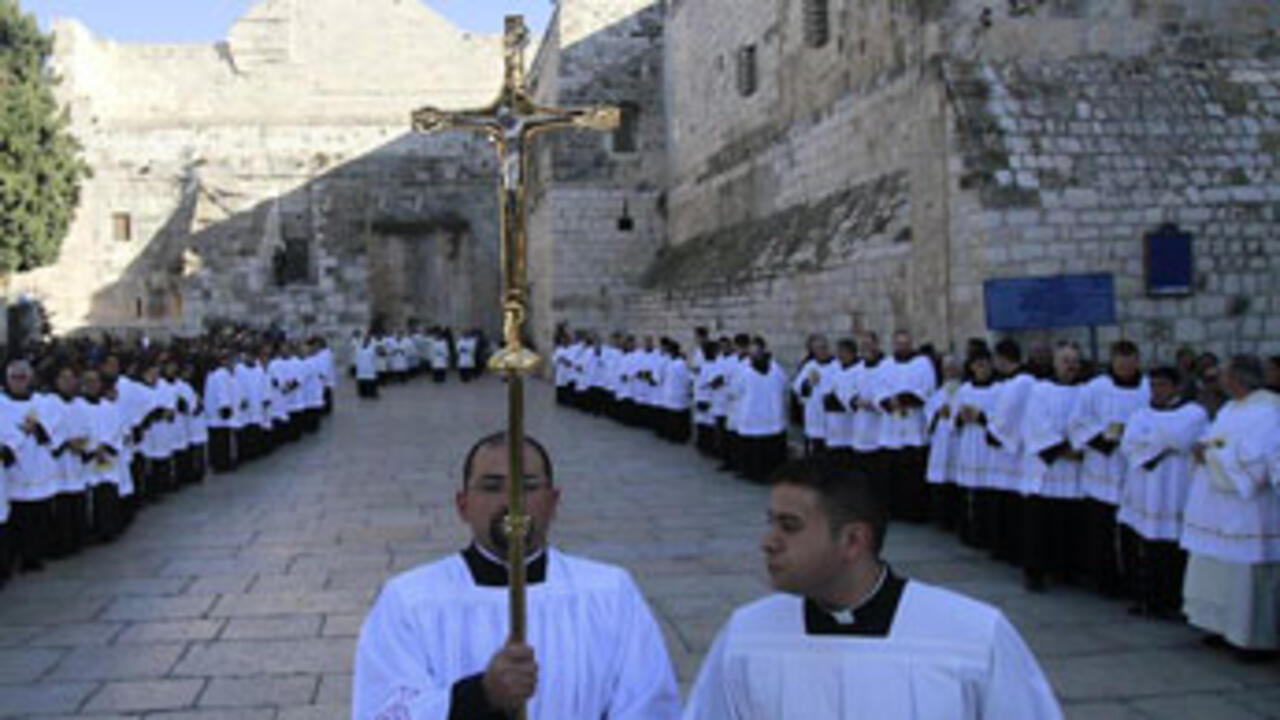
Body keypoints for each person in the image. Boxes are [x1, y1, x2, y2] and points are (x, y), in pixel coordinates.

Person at [682, 458, 1062, 720]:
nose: (768, 541)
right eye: (771, 522)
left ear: (853, 541)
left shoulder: (973, 637)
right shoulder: (747, 636)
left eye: (789, 525)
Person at [353, 432, 681, 719]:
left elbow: (648, 704)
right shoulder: (409, 601)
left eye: (528, 486)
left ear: (553, 503)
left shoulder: (609, 593)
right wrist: (480, 697)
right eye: (491, 487)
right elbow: (384, 708)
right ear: (463, 505)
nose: (511, 502)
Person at [1180, 355, 1280, 660]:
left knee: (1246, 574)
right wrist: (1205, 448)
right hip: (1217, 507)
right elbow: (1219, 441)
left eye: (1223, 375)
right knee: (1216, 568)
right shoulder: (1230, 408)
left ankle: (1252, 638)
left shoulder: (1269, 410)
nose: (1219, 380)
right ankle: (1220, 626)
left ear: (1238, 378)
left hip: (1247, 511)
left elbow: (1257, 460)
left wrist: (1210, 455)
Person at [1117, 366, 1208, 617]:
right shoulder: (1140, 414)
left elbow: (1180, 437)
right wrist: (1162, 442)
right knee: (1142, 547)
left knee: (1172, 549)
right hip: (1144, 490)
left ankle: (1171, 600)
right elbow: (1129, 444)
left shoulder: (1194, 413)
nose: (1157, 390)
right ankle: (1144, 597)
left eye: (1163, 385)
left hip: (1174, 489)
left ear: (1177, 387)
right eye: (1153, 385)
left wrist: (1152, 439)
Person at [1069, 340, 1149, 597]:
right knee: (1100, 529)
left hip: (1135, 468)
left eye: (1130, 359)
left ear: (1138, 360)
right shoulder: (1095, 388)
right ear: (1111, 361)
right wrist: (1103, 440)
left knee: (1132, 530)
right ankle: (1104, 580)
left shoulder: (1148, 389)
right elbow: (1078, 423)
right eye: (1120, 359)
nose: (1125, 365)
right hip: (1103, 465)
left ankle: (1134, 580)